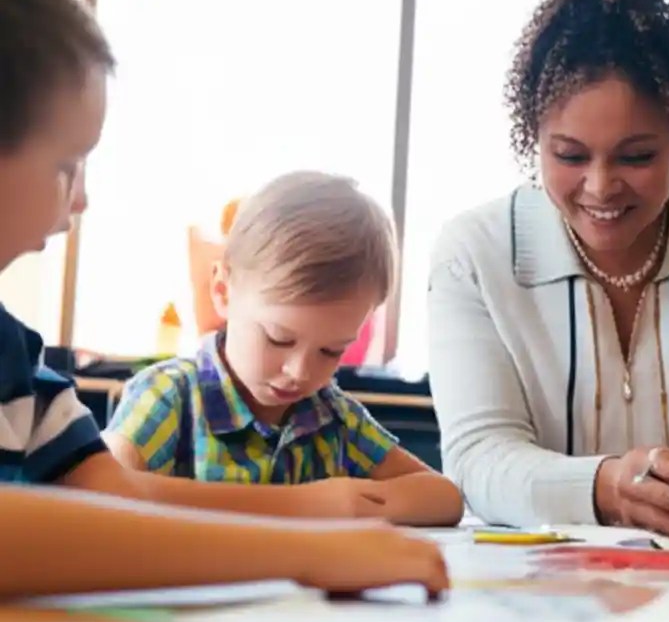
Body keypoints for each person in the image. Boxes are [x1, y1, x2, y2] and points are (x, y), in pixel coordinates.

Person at [0, 0, 447, 598]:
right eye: (65, 165)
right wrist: (305, 543)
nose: (81, 198)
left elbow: (115, 503)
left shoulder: (14, 358)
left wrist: (318, 536)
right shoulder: (167, 392)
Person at [427, 0, 669, 536]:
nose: (601, 187)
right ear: (535, 136)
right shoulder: (473, 254)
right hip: (528, 585)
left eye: (637, 156)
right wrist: (603, 487)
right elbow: (478, 457)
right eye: (570, 155)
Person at [106, 172, 464, 527]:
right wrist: (307, 505)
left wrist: (356, 505)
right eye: (278, 339)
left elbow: (443, 497)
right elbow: (102, 493)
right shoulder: (169, 398)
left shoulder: (332, 416)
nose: (300, 371)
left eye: (330, 351)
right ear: (223, 292)